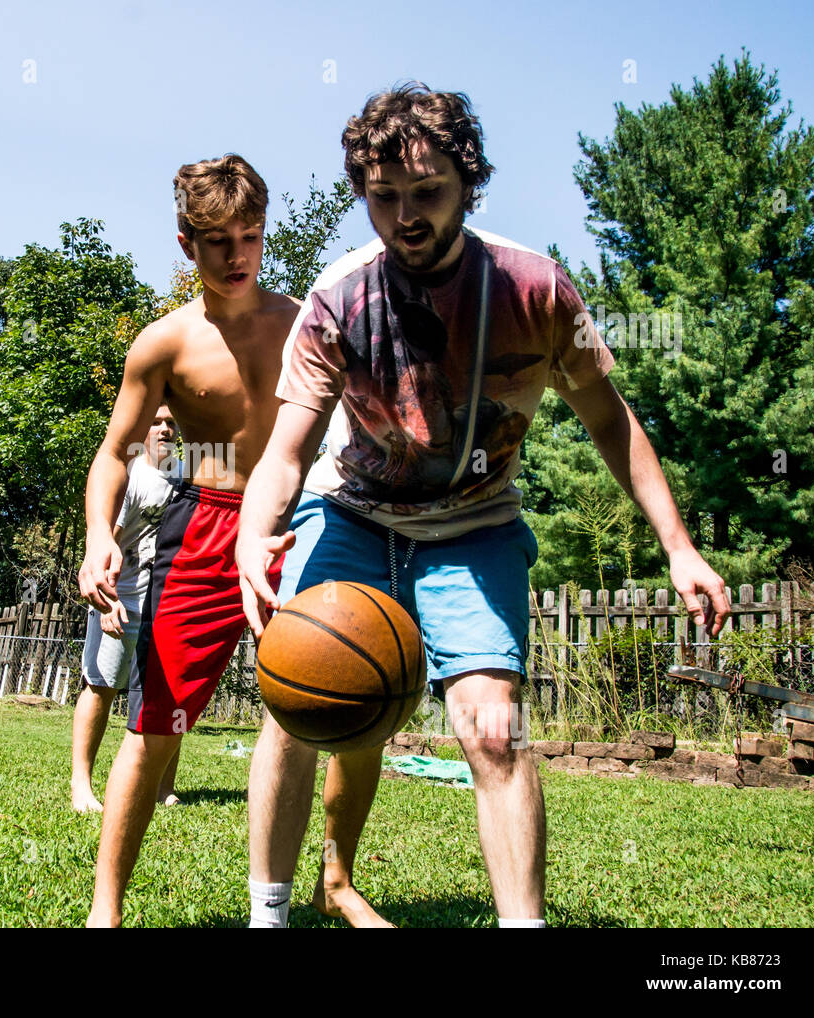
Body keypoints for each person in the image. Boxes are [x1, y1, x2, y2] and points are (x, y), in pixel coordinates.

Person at [235, 83, 731, 929]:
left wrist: (681, 547)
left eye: (426, 193)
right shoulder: (339, 298)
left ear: (470, 184)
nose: (405, 216)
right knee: (298, 702)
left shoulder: (536, 291)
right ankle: (269, 917)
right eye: (383, 198)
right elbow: (287, 447)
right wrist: (253, 534)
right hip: (351, 512)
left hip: (473, 527)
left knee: (493, 731)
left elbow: (613, 424)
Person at [77, 154, 299, 927]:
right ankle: (106, 909)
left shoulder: (303, 324)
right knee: (157, 726)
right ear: (186, 246)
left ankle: (325, 888)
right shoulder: (163, 345)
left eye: (250, 236)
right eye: (217, 242)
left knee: (327, 703)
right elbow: (114, 452)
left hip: (296, 528)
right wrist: (99, 537)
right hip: (202, 525)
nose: (237, 255)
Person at [71, 404, 181, 814]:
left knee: (168, 696)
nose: (165, 429)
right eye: (155, 422)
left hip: (164, 603)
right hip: (121, 599)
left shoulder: (185, 475)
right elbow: (107, 541)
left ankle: (163, 786)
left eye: (171, 422)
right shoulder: (131, 474)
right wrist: (107, 599)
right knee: (100, 687)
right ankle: (81, 784)